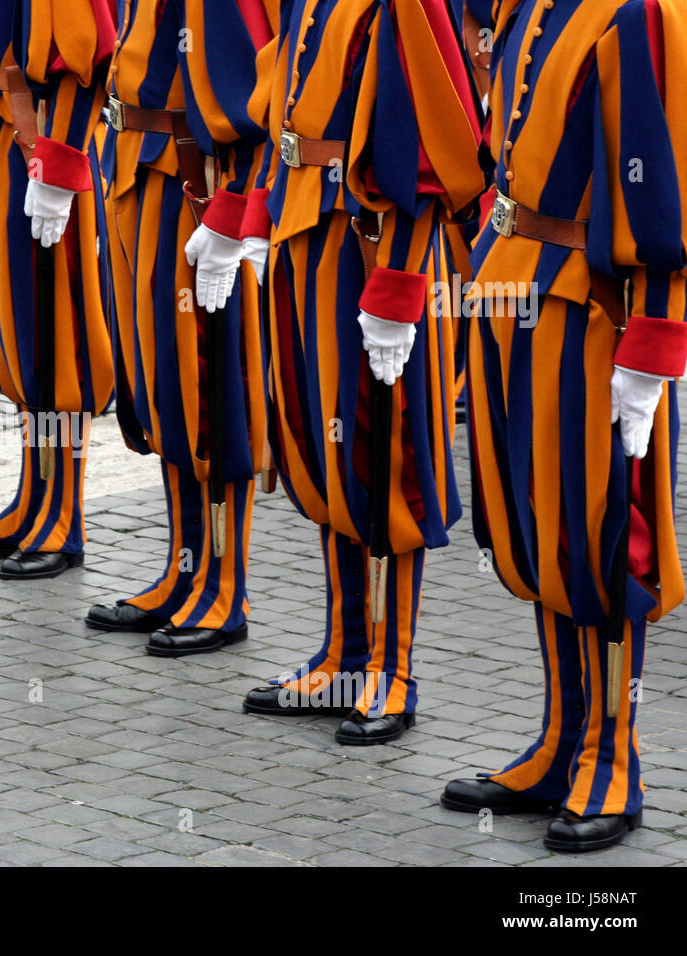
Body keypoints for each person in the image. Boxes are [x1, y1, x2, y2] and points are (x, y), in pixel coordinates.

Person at [442, 0, 687, 853]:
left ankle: (613, 758)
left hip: (597, 306)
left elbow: (662, 171)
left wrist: (655, 337)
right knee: (543, 532)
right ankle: (562, 740)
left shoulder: (634, 13)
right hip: (516, 285)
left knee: (608, 541)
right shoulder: (527, 8)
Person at [240, 0, 484, 744]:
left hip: (373, 250)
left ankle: (394, 667)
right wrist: (261, 217)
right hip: (306, 230)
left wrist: (402, 288)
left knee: (392, 457)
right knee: (324, 451)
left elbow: (435, 157)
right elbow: (282, 120)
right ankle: (344, 654)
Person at [87, 0, 278, 656]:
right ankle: (185, 569)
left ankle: (227, 586)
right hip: (138, 165)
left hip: (186, 180)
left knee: (207, 390)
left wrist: (231, 209)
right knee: (161, 384)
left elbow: (252, 104)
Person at [0, 0, 117, 580]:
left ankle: (62, 513)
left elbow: (83, 56)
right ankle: (32, 496)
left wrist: (61, 163)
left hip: (32, 143)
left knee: (54, 337)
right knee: (14, 331)